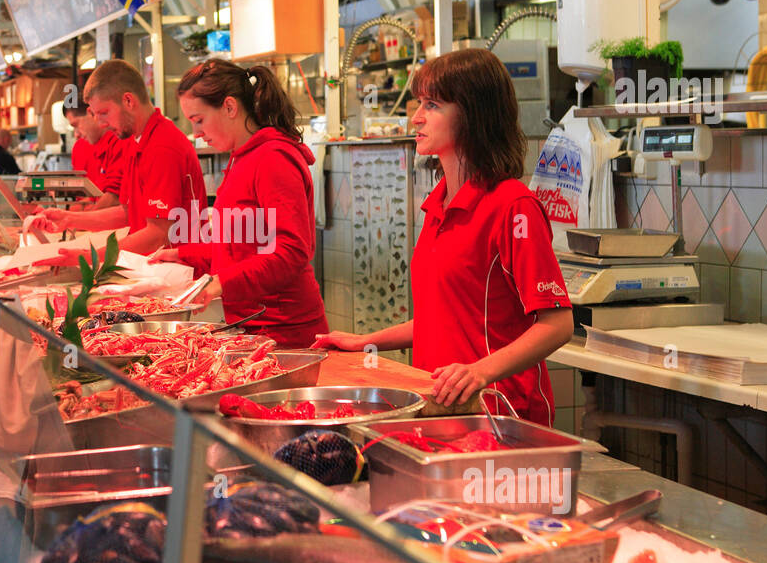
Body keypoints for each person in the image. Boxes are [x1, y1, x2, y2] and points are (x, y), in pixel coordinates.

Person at [313, 48, 573, 427]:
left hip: (499, 413)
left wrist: (480, 371)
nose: (416, 117)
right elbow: (443, 320)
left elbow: (558, 323)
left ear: (473, 114)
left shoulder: (513, 205)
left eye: (432, 105)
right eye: (419, 103)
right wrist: (363, 341)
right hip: (441, 407)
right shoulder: (438, 203)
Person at [151, 60, 328, 347]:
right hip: (249, 326)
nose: (196, 132)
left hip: (285, 331)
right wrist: (184, 256)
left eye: (198, 120)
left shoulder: (273, 158)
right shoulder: (239, 158)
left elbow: (292, 252)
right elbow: (240, 244)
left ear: (230, 107)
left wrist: (221, 283)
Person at [37, 59, 205, 260]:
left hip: (180, 273)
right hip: (153, 268)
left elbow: (158, 234)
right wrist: (69, 219)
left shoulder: (162, 146)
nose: (101, 123)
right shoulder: (136, 141)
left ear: (128, 101)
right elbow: (127, 213)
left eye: (104, 113)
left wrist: (88, 258)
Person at [63, 98, 127, 209]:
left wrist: (77, 220)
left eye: (76, 125)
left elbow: (114, 198)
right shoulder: (93, 145)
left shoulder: (119, 141)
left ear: (90, 113)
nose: (76, 134)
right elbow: (95, 197)